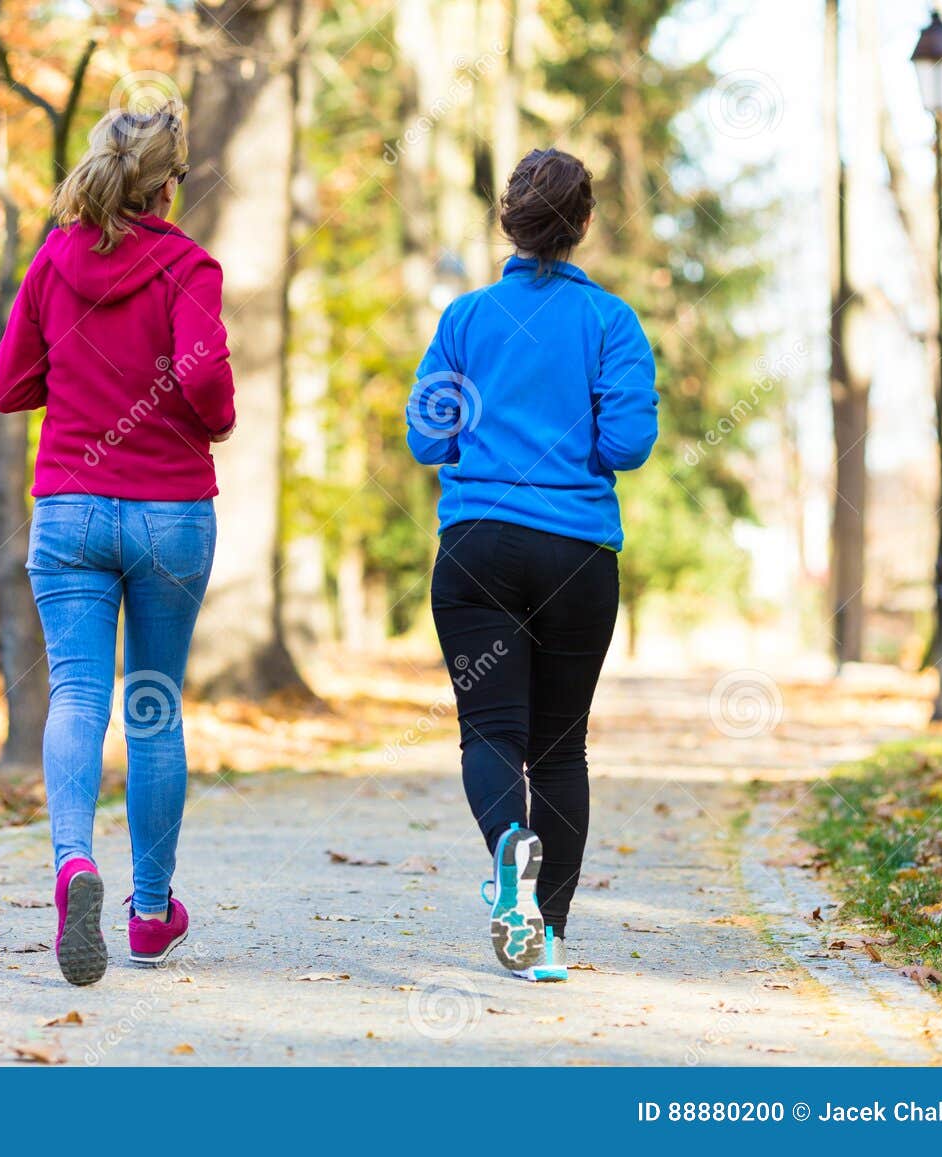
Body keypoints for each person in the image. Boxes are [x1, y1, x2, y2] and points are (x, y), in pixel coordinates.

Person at [0, 105, 234, 986]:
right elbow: (205, 378)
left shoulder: (53, 262)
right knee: (154, 705)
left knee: (76, 695)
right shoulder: (189, 267)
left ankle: (70, 864)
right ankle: (150, 913)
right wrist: (213, 414)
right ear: (170, 184)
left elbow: (9, 383)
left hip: (69, 512)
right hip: (170, 510)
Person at [406, 148, 658, 982]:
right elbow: (628, 442)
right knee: (559, 748)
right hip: (575, 553)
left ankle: (506, 848)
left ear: (509, 224)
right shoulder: (611, 323)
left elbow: (425, 438)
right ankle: (544, 933)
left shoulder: (465, 319)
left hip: (477, 546)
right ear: (583, 225)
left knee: (489, 731)